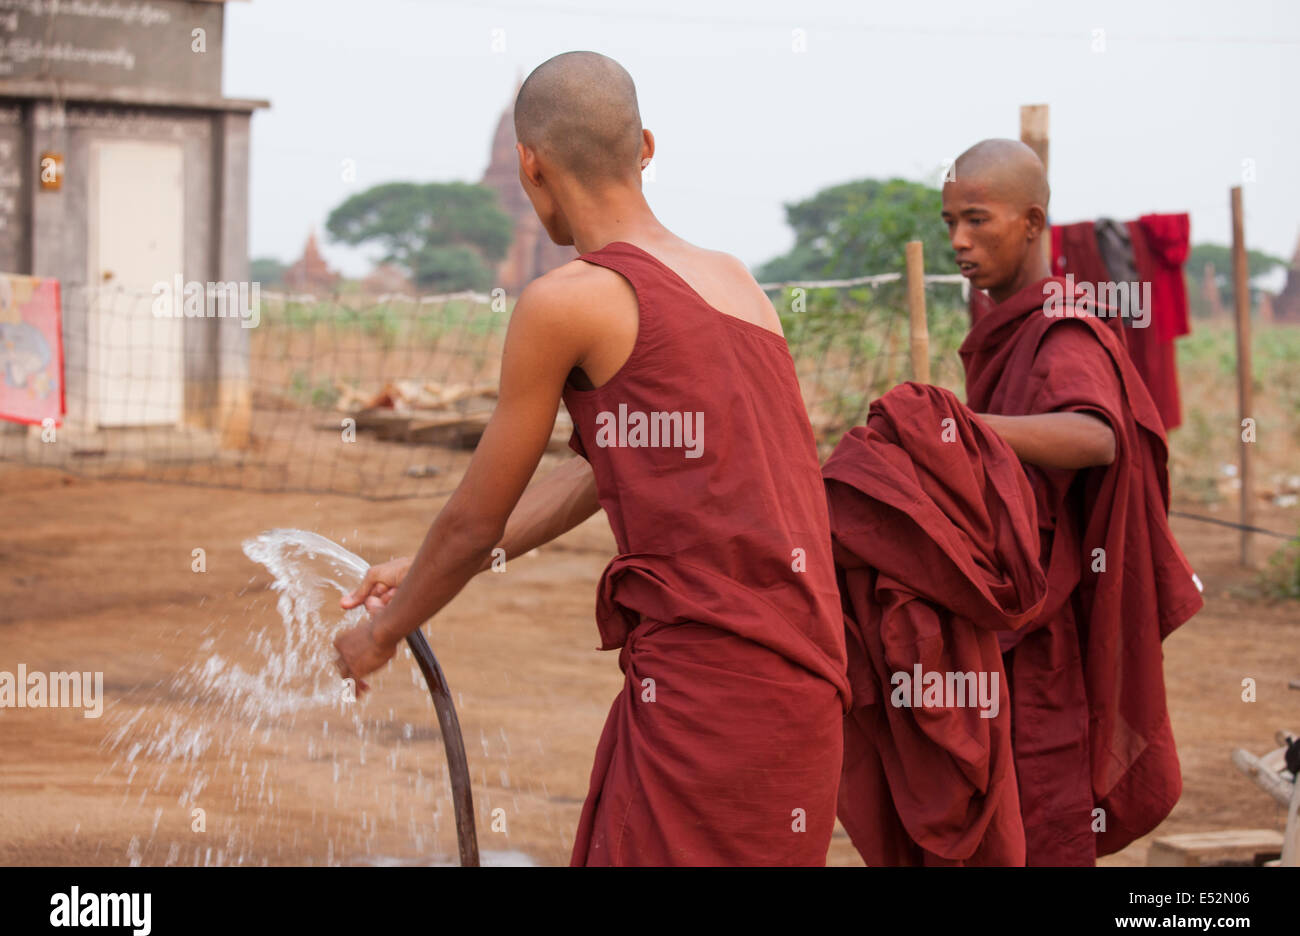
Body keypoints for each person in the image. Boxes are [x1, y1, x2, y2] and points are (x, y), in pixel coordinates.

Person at [332, 51, 850, 866]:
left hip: (707, 696)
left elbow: (473, 521)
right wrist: (419, 564)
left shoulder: (565, 302)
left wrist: (384, 632)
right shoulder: (738, 283)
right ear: (645, 145)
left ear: (528, 167)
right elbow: (604, 469)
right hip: (806, 686)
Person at [941, 139, 1204, 865]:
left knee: (1041, 819)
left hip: (1045, 636)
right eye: (948, 223)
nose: (959, 240)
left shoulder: (1062, 326)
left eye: (976, 219)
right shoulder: (1010, 327)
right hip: (1009, 621)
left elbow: (1096, 437)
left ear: (1032, 222)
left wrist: (958, 430)